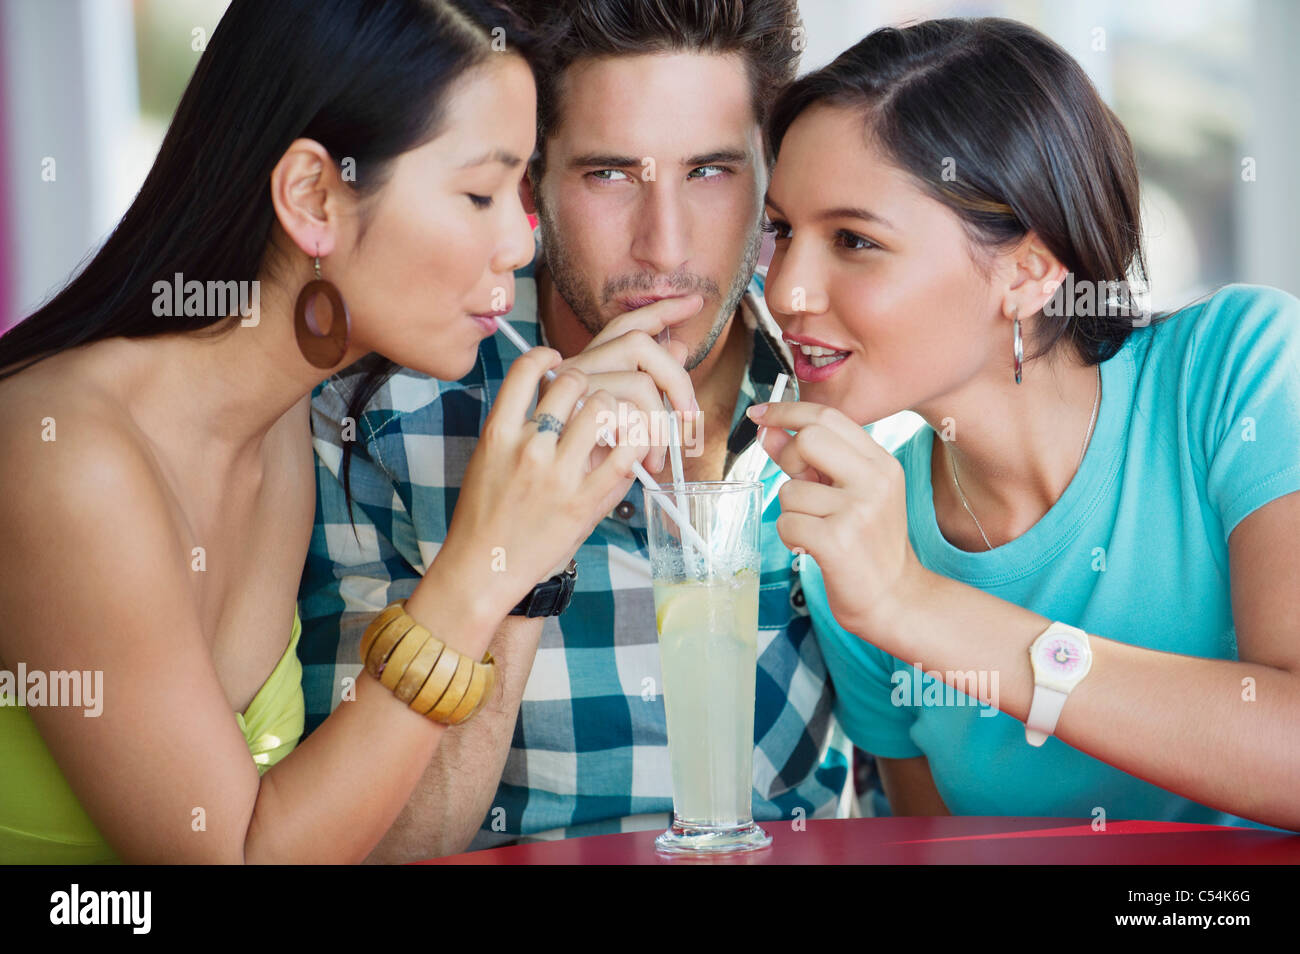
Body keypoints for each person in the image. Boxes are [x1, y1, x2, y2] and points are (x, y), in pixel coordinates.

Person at [0, 0, 643, 863]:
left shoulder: (281, 426)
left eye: (522, 193)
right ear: (314, 196)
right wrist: (480, 566)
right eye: (480, 192)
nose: (520, 246)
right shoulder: (68, 457)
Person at [298, 0, 856, 861]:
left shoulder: (852, 389)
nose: (663, 245)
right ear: (530, 186)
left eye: (709, 172)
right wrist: (529, 548)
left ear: (768, 172)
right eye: (609, 175)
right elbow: (382, 848)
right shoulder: (377, 418)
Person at [747, 17, 1300, 832]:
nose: (786, 288)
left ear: (1028, 272)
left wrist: (913, 602)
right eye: (783, 230)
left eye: (855, 240)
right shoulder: (853, 537)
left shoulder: (1237, 372)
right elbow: (937, 850)